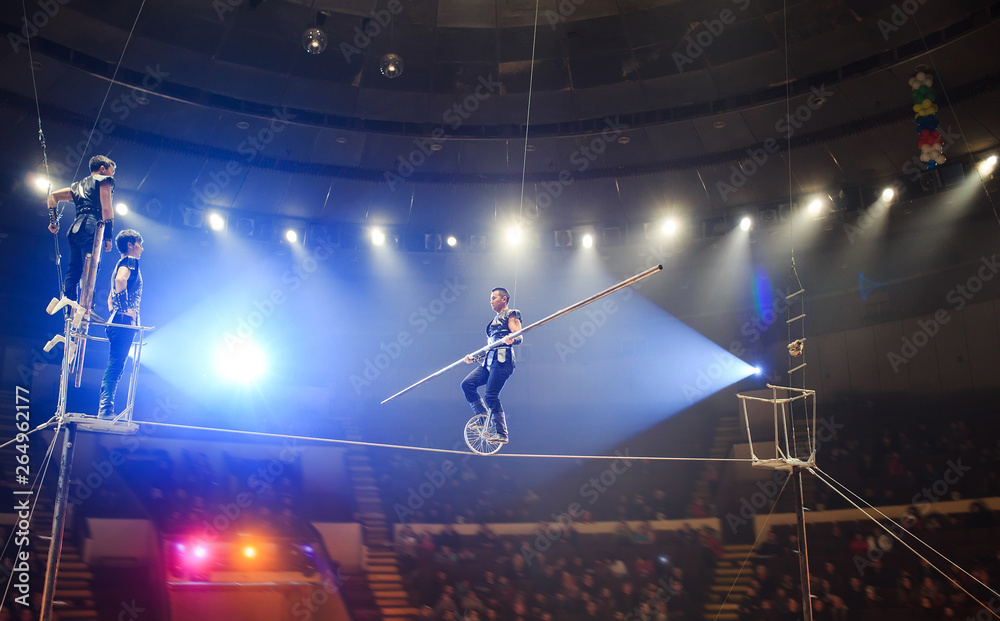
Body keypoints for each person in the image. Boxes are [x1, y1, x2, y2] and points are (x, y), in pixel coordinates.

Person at [47, 155, 116, 303]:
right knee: (90, 270)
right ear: (102, 169)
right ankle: (86, 309)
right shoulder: (104, 180)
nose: (112, 175)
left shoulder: (76, 186)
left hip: (75, 230)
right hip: (92, 228)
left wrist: (53, 221)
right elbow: (107, 209)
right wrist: (108, 236)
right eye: (112, 171)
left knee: (74, 271)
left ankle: (69, 308)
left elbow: (52, 196)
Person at [461, 287, 522, 443]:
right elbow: (490, 347)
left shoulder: (511, 314)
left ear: (504, 299)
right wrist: (473, 358)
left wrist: (512, 338)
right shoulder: (492, 323)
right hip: (489, 362)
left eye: (494, 298)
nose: (491, 301)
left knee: (490, 395)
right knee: (467, 384)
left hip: (503, 361)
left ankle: (502, 433)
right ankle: (483, 420)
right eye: (491, 298)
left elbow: (519, 335)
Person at [98, 229, 143, 419]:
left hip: (116, 321)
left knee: (115, 365)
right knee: (116, 365)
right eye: (139, 244)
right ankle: (105, 409)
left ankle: (106, 407)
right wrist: (125, 310)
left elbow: (110, 299)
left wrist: (117, 310)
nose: (142, 248)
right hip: (123, 322)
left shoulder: (119, 264)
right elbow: (120, 281)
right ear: (130, 245)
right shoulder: (130, 262)